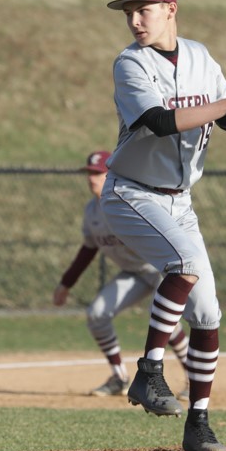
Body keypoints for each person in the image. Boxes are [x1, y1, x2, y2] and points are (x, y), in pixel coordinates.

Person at [99, 0, 226, 451]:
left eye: (143, 9)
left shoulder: (199, 55)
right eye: (128, 11)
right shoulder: (130, 64)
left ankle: (198, 425)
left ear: (171, 8)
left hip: (179, 200)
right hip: (132, 193)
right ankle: (149, 372)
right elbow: (158, 121)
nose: (134, 19)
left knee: (209, 312)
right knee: (184, 265)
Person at [52, 150, 190, 399]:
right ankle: (119, 377)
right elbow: (88, 249)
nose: (91, 178)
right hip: (134, 273)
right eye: (89, 173)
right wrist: (66, 284)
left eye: (98, 173)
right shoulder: (92, 210)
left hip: (160, 268)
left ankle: (193, 378)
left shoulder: (126, 201)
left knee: (164, 320)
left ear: (111, 174)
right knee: (97, 314)